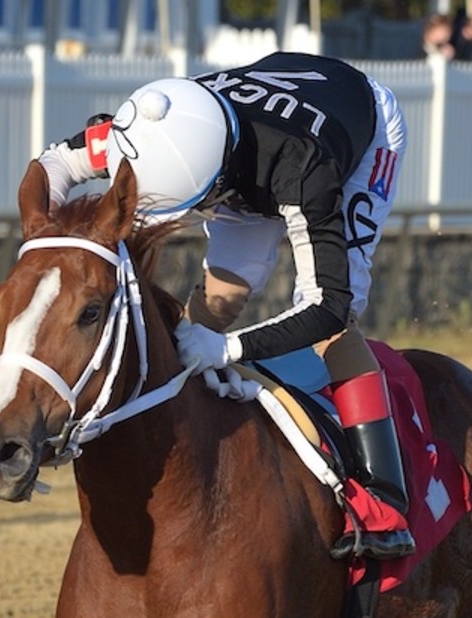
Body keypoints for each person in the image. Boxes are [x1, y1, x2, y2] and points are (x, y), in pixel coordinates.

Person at [36, 52, 415, 561]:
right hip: (248, 140)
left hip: (360, 135)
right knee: (218, 300)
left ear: (215, 182)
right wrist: (48, 238)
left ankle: (385, 498)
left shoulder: (303, 168)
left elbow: (326, 305)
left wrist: (229, 350)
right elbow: (51, 166)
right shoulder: (145, 129)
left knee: (336, 330)